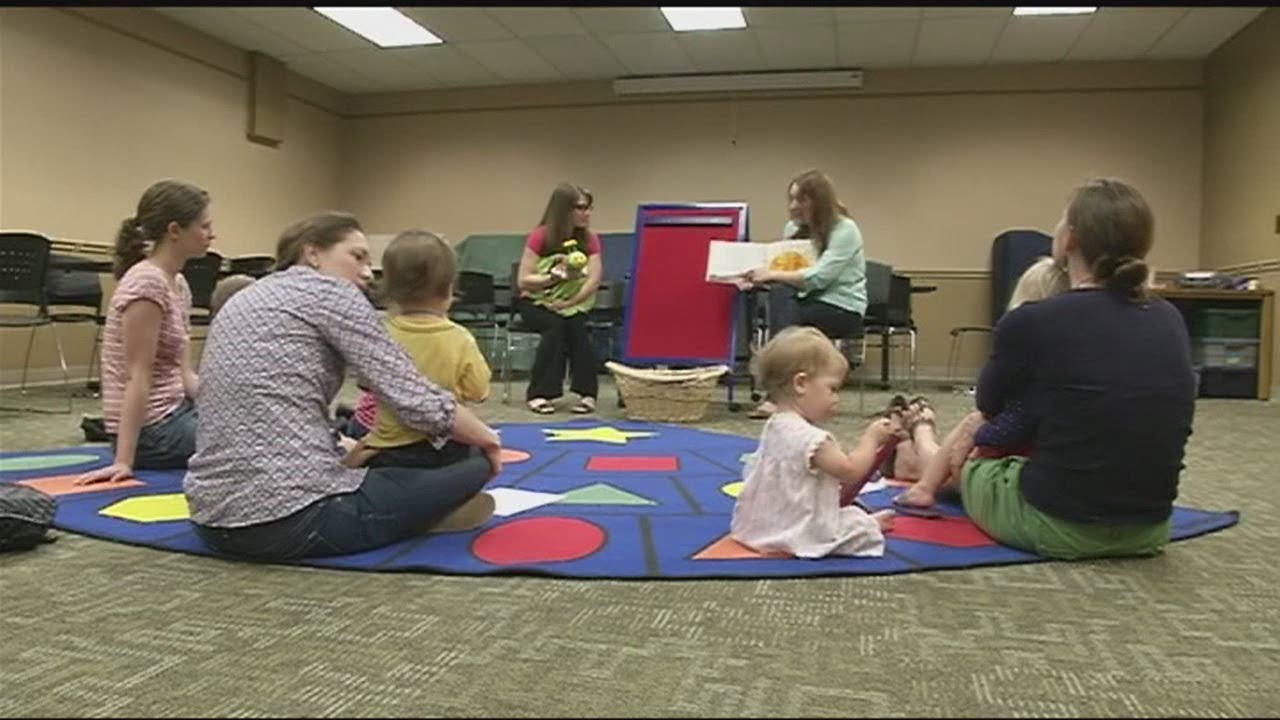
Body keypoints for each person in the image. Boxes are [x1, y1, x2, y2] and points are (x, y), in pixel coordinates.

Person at [889, 178, 1196, 560]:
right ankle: (920, 445)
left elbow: (988, 407)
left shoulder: (1034, 320)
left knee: (971, 455)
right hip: (1149, 529)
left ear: (1070, 239)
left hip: (1055, 524)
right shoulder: (1170, 317)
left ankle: (918, 445)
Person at [182, 211, 502, 561]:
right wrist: (489, 439)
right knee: (474, 461)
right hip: (289, 522)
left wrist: (338, 444)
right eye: (357, 256)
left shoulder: (247, 296)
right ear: (312, 254)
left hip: (209, 520)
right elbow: (416, 400)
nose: (367, 273)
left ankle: (416, 508)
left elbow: (273, 402)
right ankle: (423, 515)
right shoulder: (332, 292)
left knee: (363, 445)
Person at [76, 180, 214, 485]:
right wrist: (124, 460)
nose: (211, 234)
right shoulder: (145, 284)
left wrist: (227, 402)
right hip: (152, 432)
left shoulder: (177, 284)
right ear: (175, 231)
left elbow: (185, 374)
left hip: (176, 411)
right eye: (204, 226)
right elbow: (136, 377)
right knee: (248, 437)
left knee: (251, 422)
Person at [889, 257, 1070, 488]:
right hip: (1038, 456)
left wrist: (980, 431)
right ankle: (917, 444)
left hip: (1012, 460)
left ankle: (920, 435)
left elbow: (987, 402)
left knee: (970, 430)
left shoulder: (1023, 348)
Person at [730, 326, 899, 559]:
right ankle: (870, 525)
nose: (836, 399)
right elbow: (850, 471)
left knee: (848, 513)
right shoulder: (813, 440)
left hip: (762, 524)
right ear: (800, 384)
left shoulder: (775, 425)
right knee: (855, 525)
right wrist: (871, 439)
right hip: (798, 528)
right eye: (832, 389)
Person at [341, 230, 492, 470]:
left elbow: (366, 384)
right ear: (450, 289)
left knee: (357, 422)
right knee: (479, 462)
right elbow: (479, 391)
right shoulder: (461, 339)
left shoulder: (380, 333)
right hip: (437, 448)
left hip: (384, 448)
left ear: (389, 288)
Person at [738, 169, 868, 418]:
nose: (793, 206)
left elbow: (820, 277)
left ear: (818, 201)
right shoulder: (792, 229)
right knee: (778, 295)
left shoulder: (845, 230)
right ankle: (784, 388)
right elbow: (787, 272)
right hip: (801, 301)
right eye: (791, 199)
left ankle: (776, 388)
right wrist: (755, 279)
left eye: (801, 200)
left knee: (785, 310)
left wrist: (772, 275)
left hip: (841, 307)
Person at [515, 182, 603, 415]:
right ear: (564, 210)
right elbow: (523, 280)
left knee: (576, 327)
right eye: (580, 208)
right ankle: (540, 393)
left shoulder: (590, 239)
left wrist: (570, 303)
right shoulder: (540, 236)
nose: (586, 214)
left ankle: (587, 393)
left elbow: (593, 279)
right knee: (554, 327)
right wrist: (551, 278)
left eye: (589, 208)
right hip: (536, 302)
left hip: (573, 302)